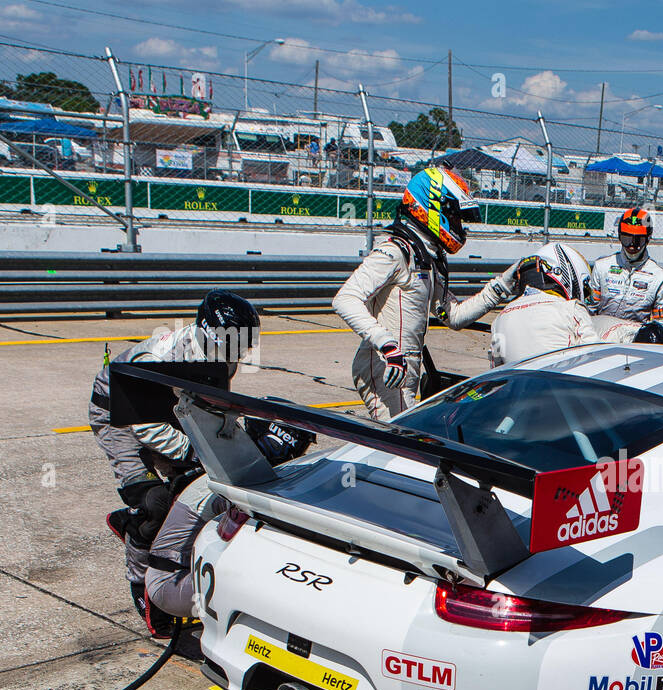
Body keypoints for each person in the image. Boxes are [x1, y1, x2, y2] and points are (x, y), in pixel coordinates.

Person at [90, 290, 259, 636]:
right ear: (209, 333)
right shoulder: (157, 357)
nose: (237, 356)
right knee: (152, 504)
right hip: (121, 413)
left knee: (195, 485)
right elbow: (144, 424)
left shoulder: (224, 352)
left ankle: (130, 526)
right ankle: (143, 587)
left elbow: (215, 404)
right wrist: (190, 452)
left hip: (166, 409)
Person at [333, 165, 524, 421]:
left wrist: (501, 286)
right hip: (385, 366)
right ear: (432, 207)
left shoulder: (426, 257)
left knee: (406, 441)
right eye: (455, 216)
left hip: (406, 366)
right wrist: (388, 346)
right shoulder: (395, 252)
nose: (459, 225)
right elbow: (345, 299)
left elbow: (453, 316)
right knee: (402, 446)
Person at [144, 415, 315, 629]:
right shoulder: (233, 484)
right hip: (172, 583)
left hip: (175, 575)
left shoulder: (232, 473)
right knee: (280, 582)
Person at [488, 243, 598, 367]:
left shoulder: (500, 319)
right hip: (560, 384)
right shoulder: (572, 309)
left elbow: (496, 370)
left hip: (520, 384)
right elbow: (593, 360)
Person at [589, 207, 663, 333]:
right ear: (619, 236)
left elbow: (662, 324)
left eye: (638, 240)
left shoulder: (660, 276)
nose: (632, 245)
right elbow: (589, 309)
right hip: (601, 337)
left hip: (635, 340)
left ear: (648, 238)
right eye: (627, 239)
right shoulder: (601, 267)